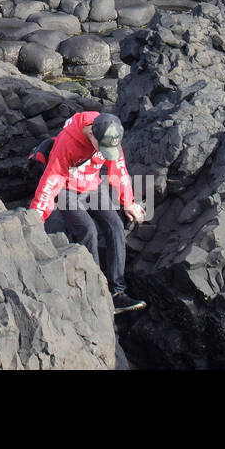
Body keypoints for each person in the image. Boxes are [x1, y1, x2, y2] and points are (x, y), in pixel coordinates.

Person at [28, 111, 147, 314]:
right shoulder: (68, 143)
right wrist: (35, 216)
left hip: (92, 184)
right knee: (88, 230)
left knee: (116, 225)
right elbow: (51, 181)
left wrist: (128, 203)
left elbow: (118, 170)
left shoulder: (111, 133)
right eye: (103, 148)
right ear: (91, 134)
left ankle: (118, 292)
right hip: (66, 189)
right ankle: (96, 291)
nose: (106, 152)